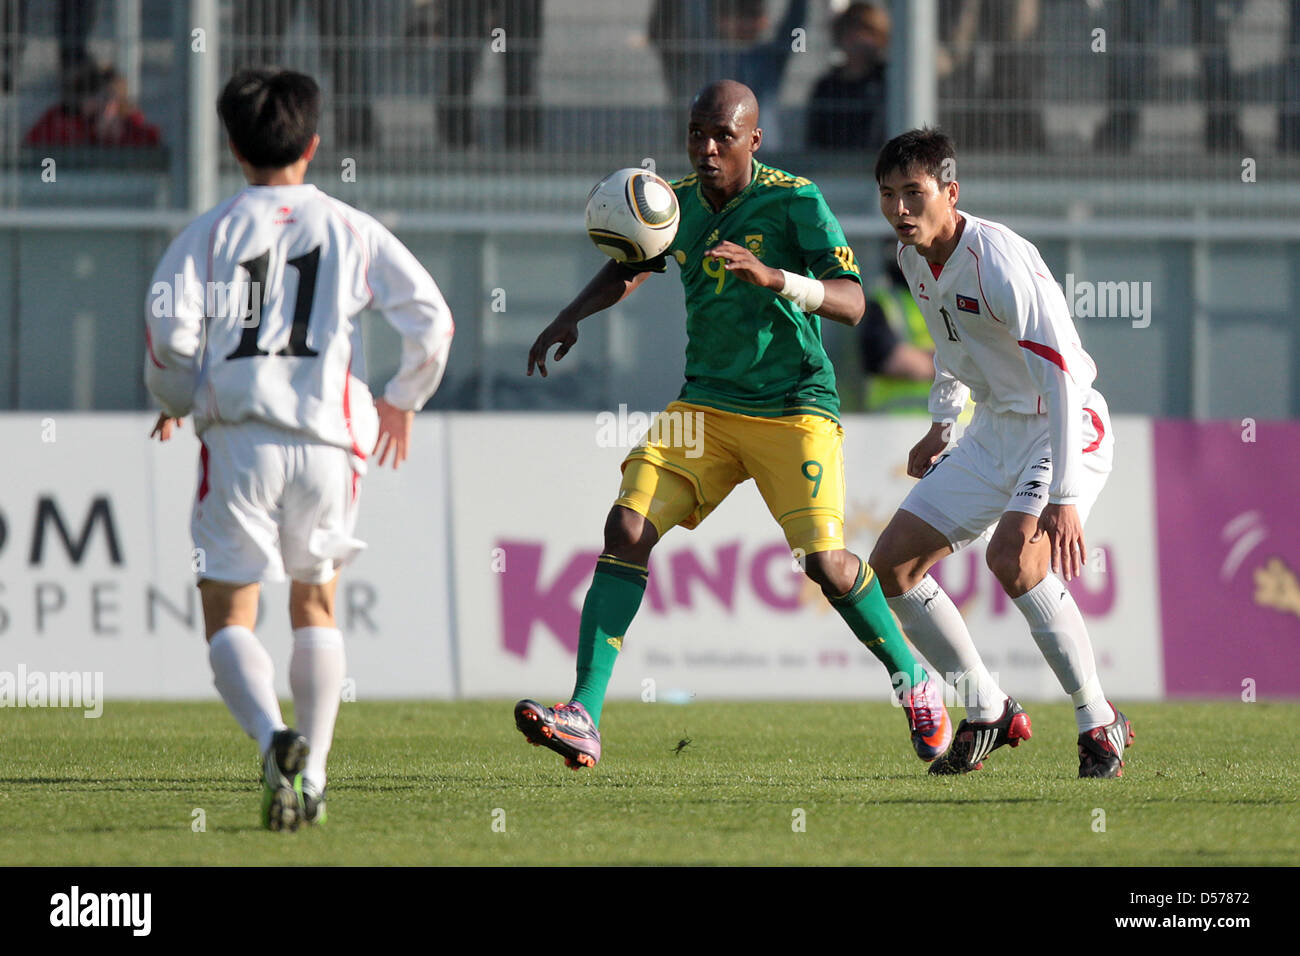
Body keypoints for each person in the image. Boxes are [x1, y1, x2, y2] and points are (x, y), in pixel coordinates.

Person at [514, 79, 951, 771]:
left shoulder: (794, 200)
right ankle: (584, 716)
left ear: (754, 139)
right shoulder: (678, 203)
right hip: (706, 408)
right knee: (625, 527)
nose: (706, 148)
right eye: (696, 134)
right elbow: (637, 259)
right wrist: (573, 313)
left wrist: (775, 278)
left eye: (722, 135)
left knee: (827, 566)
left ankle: (915, 681)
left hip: (794, 406)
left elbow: (852, 302)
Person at [144, 69, 454, 829]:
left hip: (241, 435)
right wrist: (401, 400)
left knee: (230, 613)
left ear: (229, 146)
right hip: (329, 441)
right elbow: (433, 322)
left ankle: (271, 736)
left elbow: (165, 334)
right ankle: (310, 776)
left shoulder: (209, 233)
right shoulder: (350, 227)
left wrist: (176, 401)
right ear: (313, 145)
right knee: (316, 602)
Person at [869, 128, 1133, 778]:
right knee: (893, 567)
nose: (901, 209)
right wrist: (940, 425)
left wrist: (1066, 495)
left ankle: (1099, 720)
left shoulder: (999, 259)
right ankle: (987, 708)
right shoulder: (911, 262)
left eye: (915, 193)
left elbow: (1063, 376)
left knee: (1013, 557)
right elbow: (955, 351)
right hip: (993, 430)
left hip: (1060, 422)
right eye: (888, 196)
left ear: (950, 193)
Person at [860, 238, 935, 414]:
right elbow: (888, 359)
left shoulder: (955, 297)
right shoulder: (884, 302)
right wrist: (951, 362)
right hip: (894, 427)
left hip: (959, 428)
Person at [806, 1, 889, 153]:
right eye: (851, 31)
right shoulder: (826, 87)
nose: (858, 39)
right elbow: (815, 140)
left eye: (867, 32)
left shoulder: (889, 83)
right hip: (834, 171)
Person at [24, 61, 160, 147]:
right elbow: (40, 165)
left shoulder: (131, 126)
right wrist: (92, 136)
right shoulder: (58, 122)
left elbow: (152, 147)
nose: (104, 104)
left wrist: (116, 138)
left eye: (109, 97)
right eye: (95, 96)